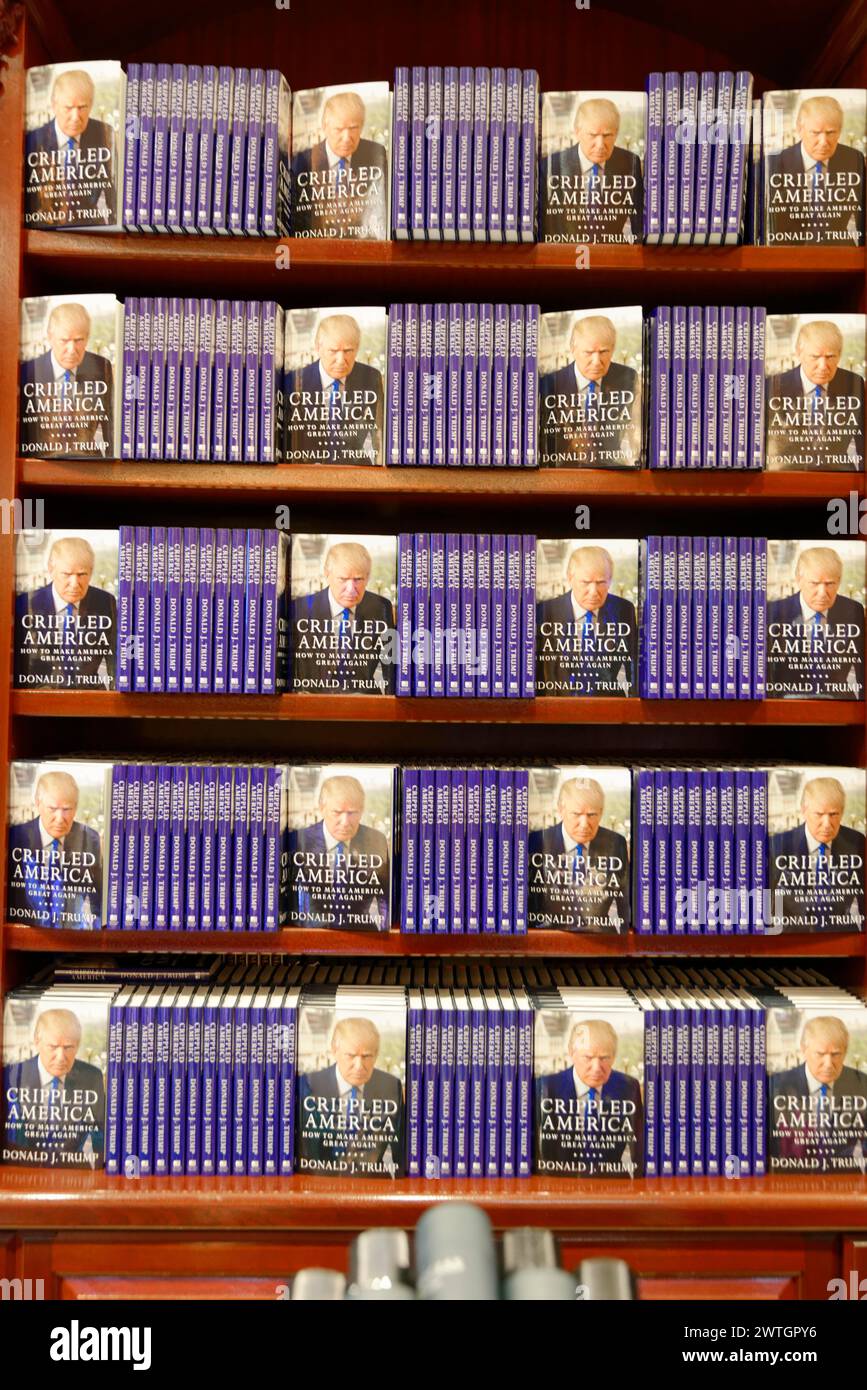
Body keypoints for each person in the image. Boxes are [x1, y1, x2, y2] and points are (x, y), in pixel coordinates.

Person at [297, 1016, 404, 1173]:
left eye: (367, 1056)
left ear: (376, 1054)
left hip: (373, 1185)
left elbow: (401, 1155)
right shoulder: (308, 1085)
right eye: (351, 1056)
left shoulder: (390, 1086)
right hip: (319, 1183)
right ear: (334, 1050)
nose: (359, 1066)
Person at [537, 1018, 643, 1174]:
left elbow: (639, 1151)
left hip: (613, 1187)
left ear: (614, 1057)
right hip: (558, 1185)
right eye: (588, 1057)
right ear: (572, 1053)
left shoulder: (628, 1087)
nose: (596, 1068)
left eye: (604, 1058)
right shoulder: (546, 1087)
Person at [3, 1006, 106, 1162]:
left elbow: (100, 1133)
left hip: (75, 1172)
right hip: (22, 1167)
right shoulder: (12, 1075)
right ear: (37, 1042)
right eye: (53, 1047)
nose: (60, 1057)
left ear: (77, 1045)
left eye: (68, 1047)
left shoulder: (92, 1077)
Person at [291, 540, 395, 693]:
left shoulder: (380, 607)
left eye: (358, 579)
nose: (351, 589)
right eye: (343, 579)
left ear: (367, 577)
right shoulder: (301, 608)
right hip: (313, 703)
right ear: (327, 574)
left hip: (366, 704)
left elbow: (390, 668)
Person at [289, 774, 390, 931]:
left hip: (363, 936)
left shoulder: (375, 840)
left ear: (362, 810)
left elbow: (385, 897)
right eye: (337, 812)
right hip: (309, 935)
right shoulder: (299, 840)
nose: (345, 822)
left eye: (352, 813)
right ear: (322, 809)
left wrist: (385, 930)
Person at [529, 776, 630, 931]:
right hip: (547, 938)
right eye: (576, 814)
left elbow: (626, 907)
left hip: (601, 941)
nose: (584, 825)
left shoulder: (615, 844)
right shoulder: (537, 841)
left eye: (591, 815)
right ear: (561, 810)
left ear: (601, 813)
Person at [16, 535, 117, 688]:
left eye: (82, 574)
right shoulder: (26, 603)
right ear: (51, 569)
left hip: (91, 699)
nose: (75, 583)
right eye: (67, 574)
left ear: (91, 571)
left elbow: (115, 662)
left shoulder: (105, 602)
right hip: (40, 699)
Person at [540, 314, 640, 467]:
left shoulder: (627, 378)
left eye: (603, 352)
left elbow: (635, 432)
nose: (596, 362)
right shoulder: (549, 384)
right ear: (573, 349)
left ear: (613, 349)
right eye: (588, 352)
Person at [7, 769, 103, 928]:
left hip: (74, 936)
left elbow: (97, 898)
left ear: (76, 807)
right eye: (52, 809)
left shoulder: (89, 838)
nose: (60, 819)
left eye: (67, 809)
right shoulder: (16, 837)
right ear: (38, 803)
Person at [535, 544, 637, 694]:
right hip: (559, 708)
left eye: (601, 582)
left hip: (610, 708)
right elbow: (538, 672)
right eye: (586, 582)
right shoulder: (546, 611)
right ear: (570, 578)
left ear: (610, 580)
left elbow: (633, 668)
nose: (593, 592)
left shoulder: (623, 609)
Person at [769, 775, 865, 932]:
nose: (827, 824)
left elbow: (864, 903)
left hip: (842, 936)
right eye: (819, 814)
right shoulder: (778, 844)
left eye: (834, 814)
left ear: (842, 812)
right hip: (794, 937)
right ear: (804, 811)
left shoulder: (856, 842)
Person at [766, 545, 864, 697]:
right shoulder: (774, 612)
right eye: (815, 583)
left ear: (839, 581)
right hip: (786, 705)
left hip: (839, 705)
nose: (822, 593)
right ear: (799, 580)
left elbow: (862, 670)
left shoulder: (853, 610)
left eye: (830, 584)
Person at [766, 95, 865, 244]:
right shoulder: (775, 163)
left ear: (840, 131)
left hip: (841, 255)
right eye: (816, 133)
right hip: (789, 255)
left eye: (831, 132)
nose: (824, 142)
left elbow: (862, 219)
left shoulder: (853, 159)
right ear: (800, 129)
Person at [769, 1016, 867, 1168]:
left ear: (845, 1052)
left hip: (845, 1180)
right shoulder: (775, 1086)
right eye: (820, 1054)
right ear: (803, 1049)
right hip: (789, 1180)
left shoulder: (862, 1084)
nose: (828, 1064)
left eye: (836, 1054)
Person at [541, 96, 643, 241]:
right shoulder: (552, 165)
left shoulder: (629, 162)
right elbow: (546, 229)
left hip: (615, 256)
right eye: (593, 135)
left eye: (607, 135)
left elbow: (640, 226)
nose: (600, 144)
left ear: (616, 133)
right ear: (577, 132)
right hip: (564, 257)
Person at [286, 313, 384, 465]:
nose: (340, 361)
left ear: (357, 348)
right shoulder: (294, 381)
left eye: (348, 351)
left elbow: (377, 434)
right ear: (318, 347)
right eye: (333, 351)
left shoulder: (371, 378)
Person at [19, 301, 114, 457]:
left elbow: (110, 422)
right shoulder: (28, 371)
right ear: (50, 337)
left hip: (89, 462)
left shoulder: (100, 367)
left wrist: (112, 463)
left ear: (87, 337)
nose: (71, 350)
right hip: (43, 464)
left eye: (78, 340)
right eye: (64, 340)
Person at [767, 320, 864, 471]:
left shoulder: (854, 383)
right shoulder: (773, 386)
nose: (823, 366)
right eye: (815, 356)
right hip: (788, 479)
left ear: (840, 354)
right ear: (799, 353)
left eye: (830, 356)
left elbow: (863, 443)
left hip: (839, 479)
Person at [25, 68, 117, 224]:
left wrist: (115, 224)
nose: (75, 118)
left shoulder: (103, 132)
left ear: (91, 105)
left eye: (82, 107)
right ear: (54, 105)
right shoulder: (35, 139)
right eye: (68, 108)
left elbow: (111, 186)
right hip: (46, 223)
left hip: (90, 222)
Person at [291, 90, 388, 238]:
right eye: (339, 129)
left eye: (353, 128)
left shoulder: (375, 154)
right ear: (325, 126)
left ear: (362, 126)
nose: (346, 137)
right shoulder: (303, 161)